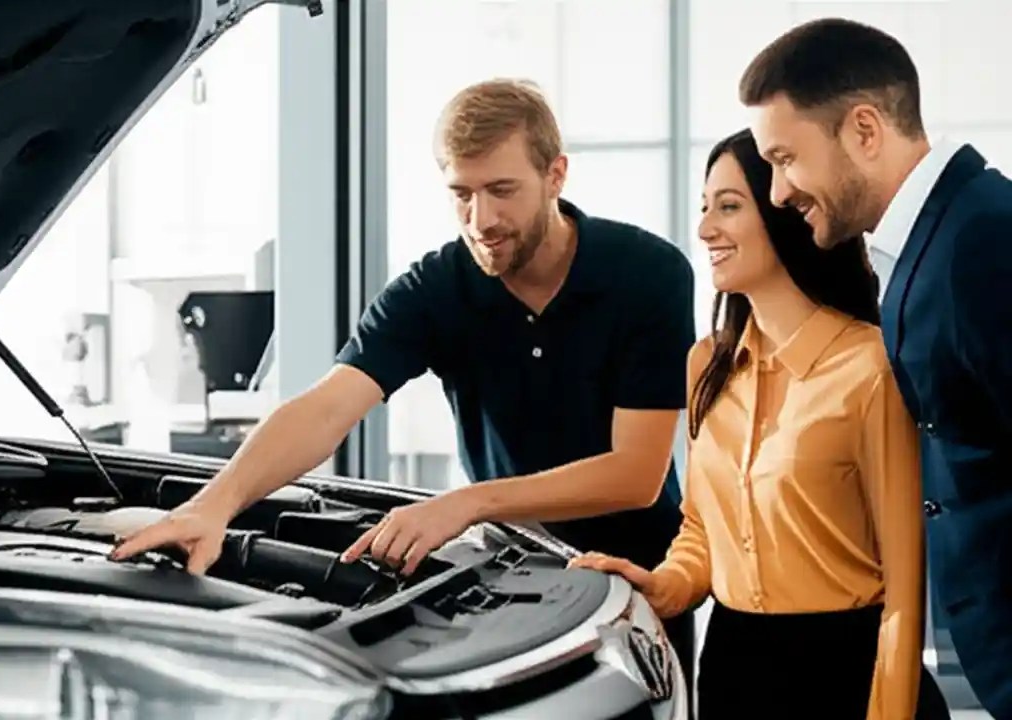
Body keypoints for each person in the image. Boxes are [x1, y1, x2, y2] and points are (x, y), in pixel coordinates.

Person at [110, 78, 699, 686]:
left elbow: (636, 474)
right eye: (461, 195)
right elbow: (327, 406)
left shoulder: (649, 274)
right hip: (515, 584)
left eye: (502, 191)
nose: (482, 220)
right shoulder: (435, 288)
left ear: (556, 175)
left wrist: (470, 502)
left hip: (639, 585)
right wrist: (214, 506)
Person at [570, 128, 947, 720]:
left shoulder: (870, 366)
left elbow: (905, 586)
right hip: (734, 666)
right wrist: (660, 586)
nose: (705, 230)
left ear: (785, 214)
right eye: (704, 208)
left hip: (849, 669)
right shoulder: (705, 366)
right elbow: (700, 530)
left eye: (728, 206)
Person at [737, 18, 1012, 718]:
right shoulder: (931, 240)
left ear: (864, 131)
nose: (777, 192)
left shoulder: (981, 241)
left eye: (785, 159)